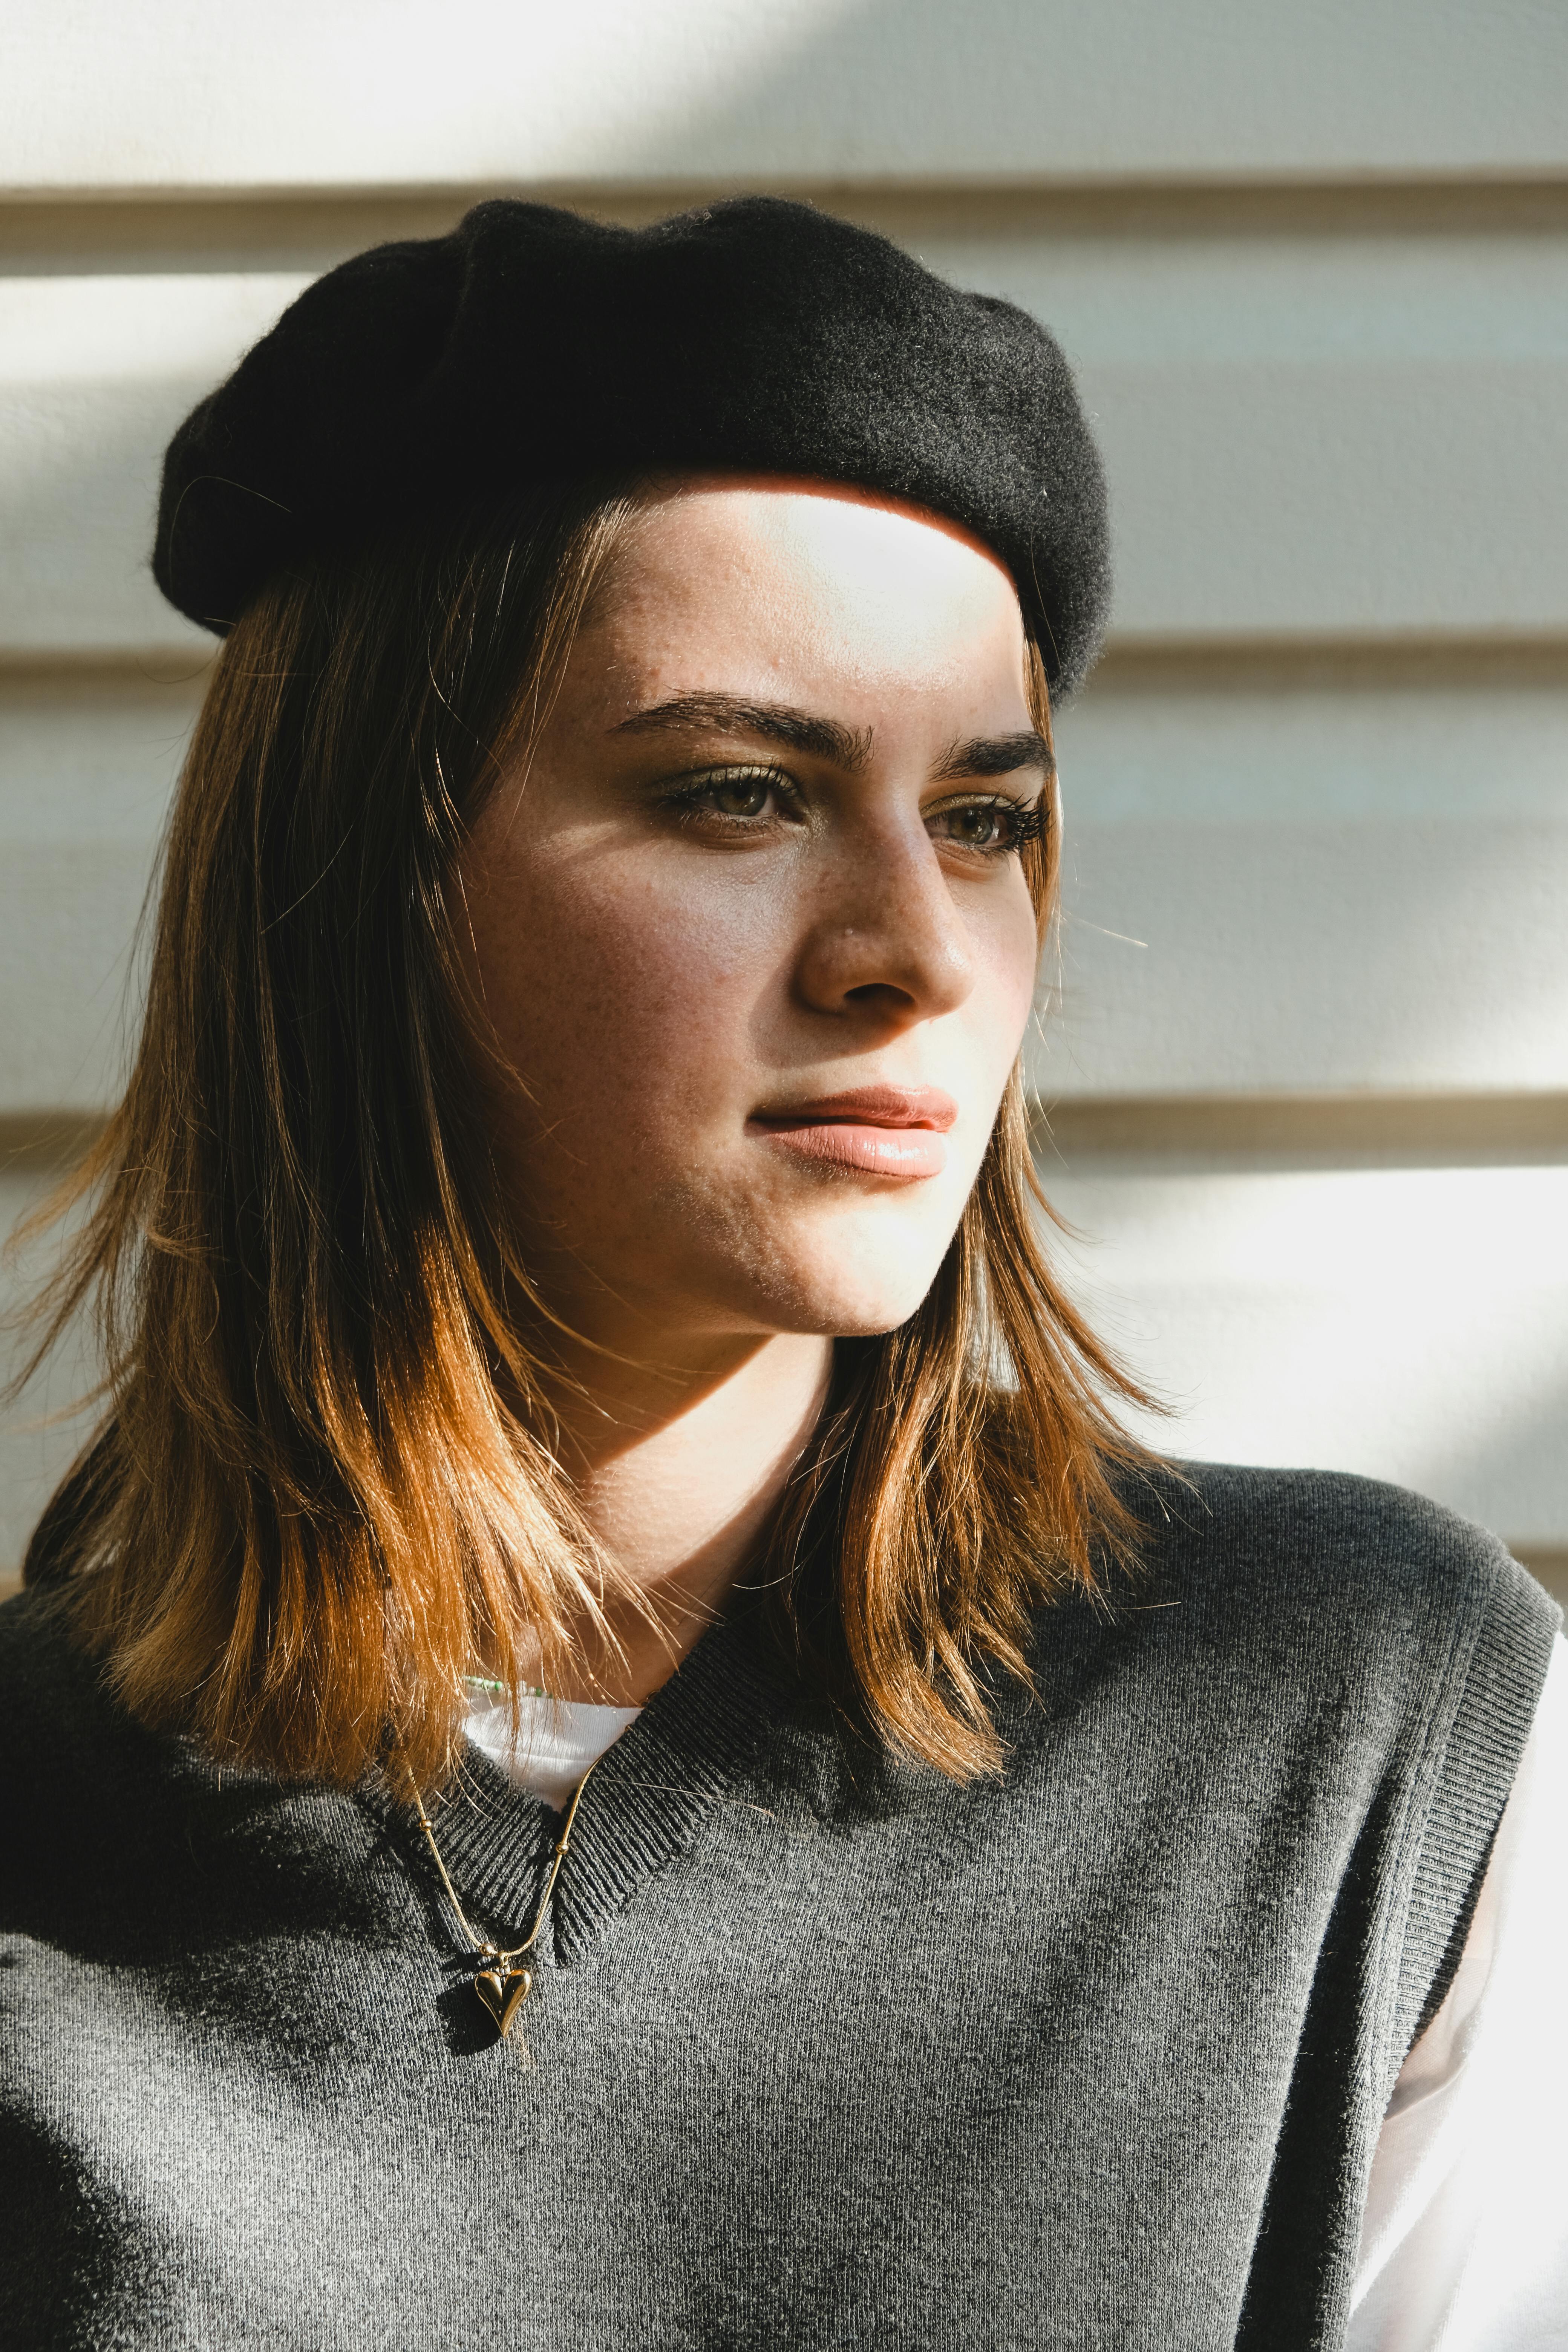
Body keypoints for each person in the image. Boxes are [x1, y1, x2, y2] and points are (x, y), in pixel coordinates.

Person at [0, 197, 1561, 2350]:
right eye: (741, 794)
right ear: (364, 884)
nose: (912, 952)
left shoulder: (1362, 1740)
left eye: (989, 820)